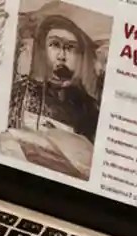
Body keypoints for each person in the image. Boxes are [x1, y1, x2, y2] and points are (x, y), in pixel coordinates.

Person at [13, 14, 101, 142]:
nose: (61, 56)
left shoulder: (88, 108)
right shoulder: (21, 92)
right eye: (55, 45)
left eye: (70, 48)